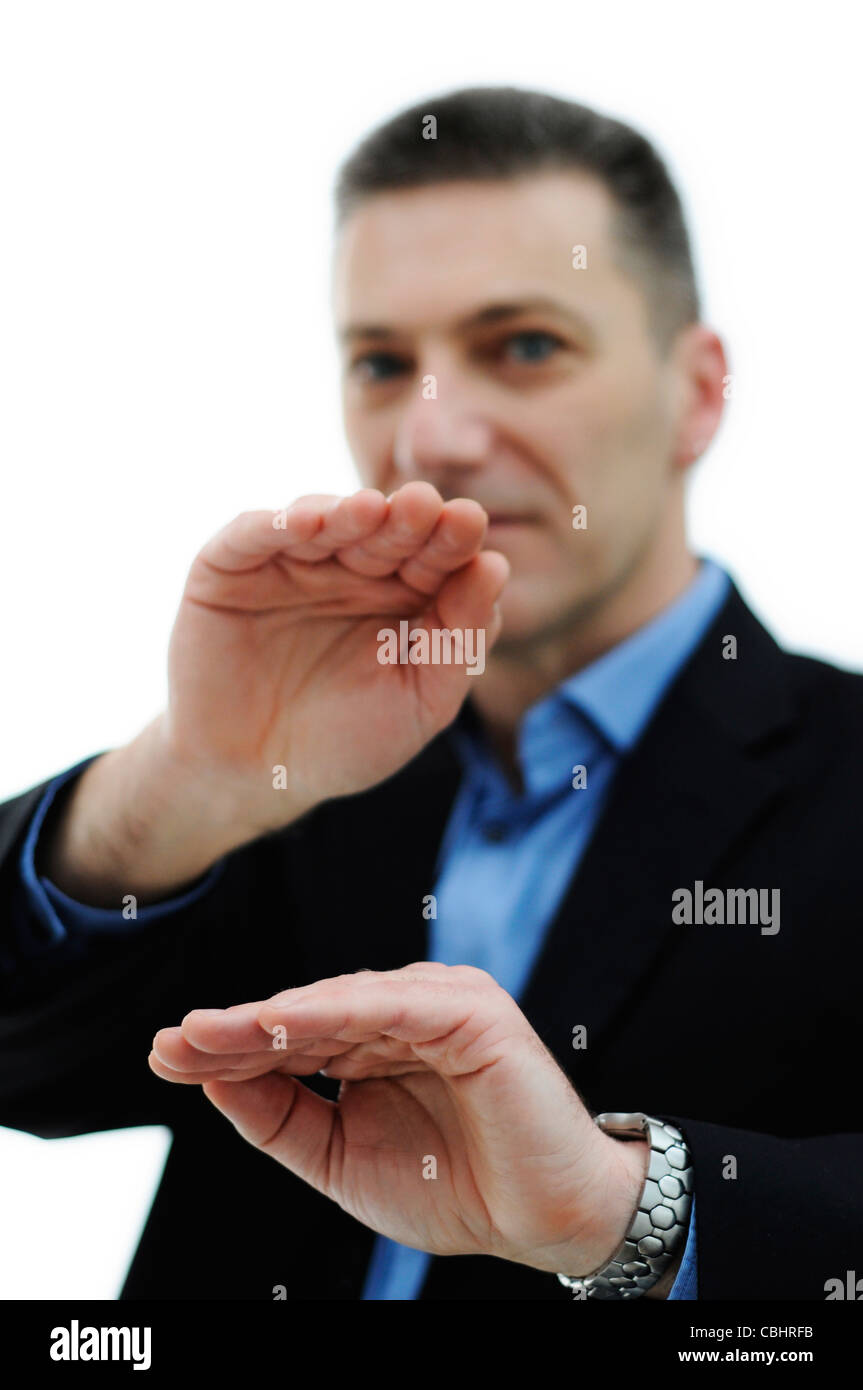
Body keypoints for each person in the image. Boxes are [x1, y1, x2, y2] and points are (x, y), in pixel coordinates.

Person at [1, 86, 860, 1302]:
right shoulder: (287, 773)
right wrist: (190, 776)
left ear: (698, 392)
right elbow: (24, 1065)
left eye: (523, 346)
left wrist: (630, 1210)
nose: (433, 436)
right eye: (383, 361)